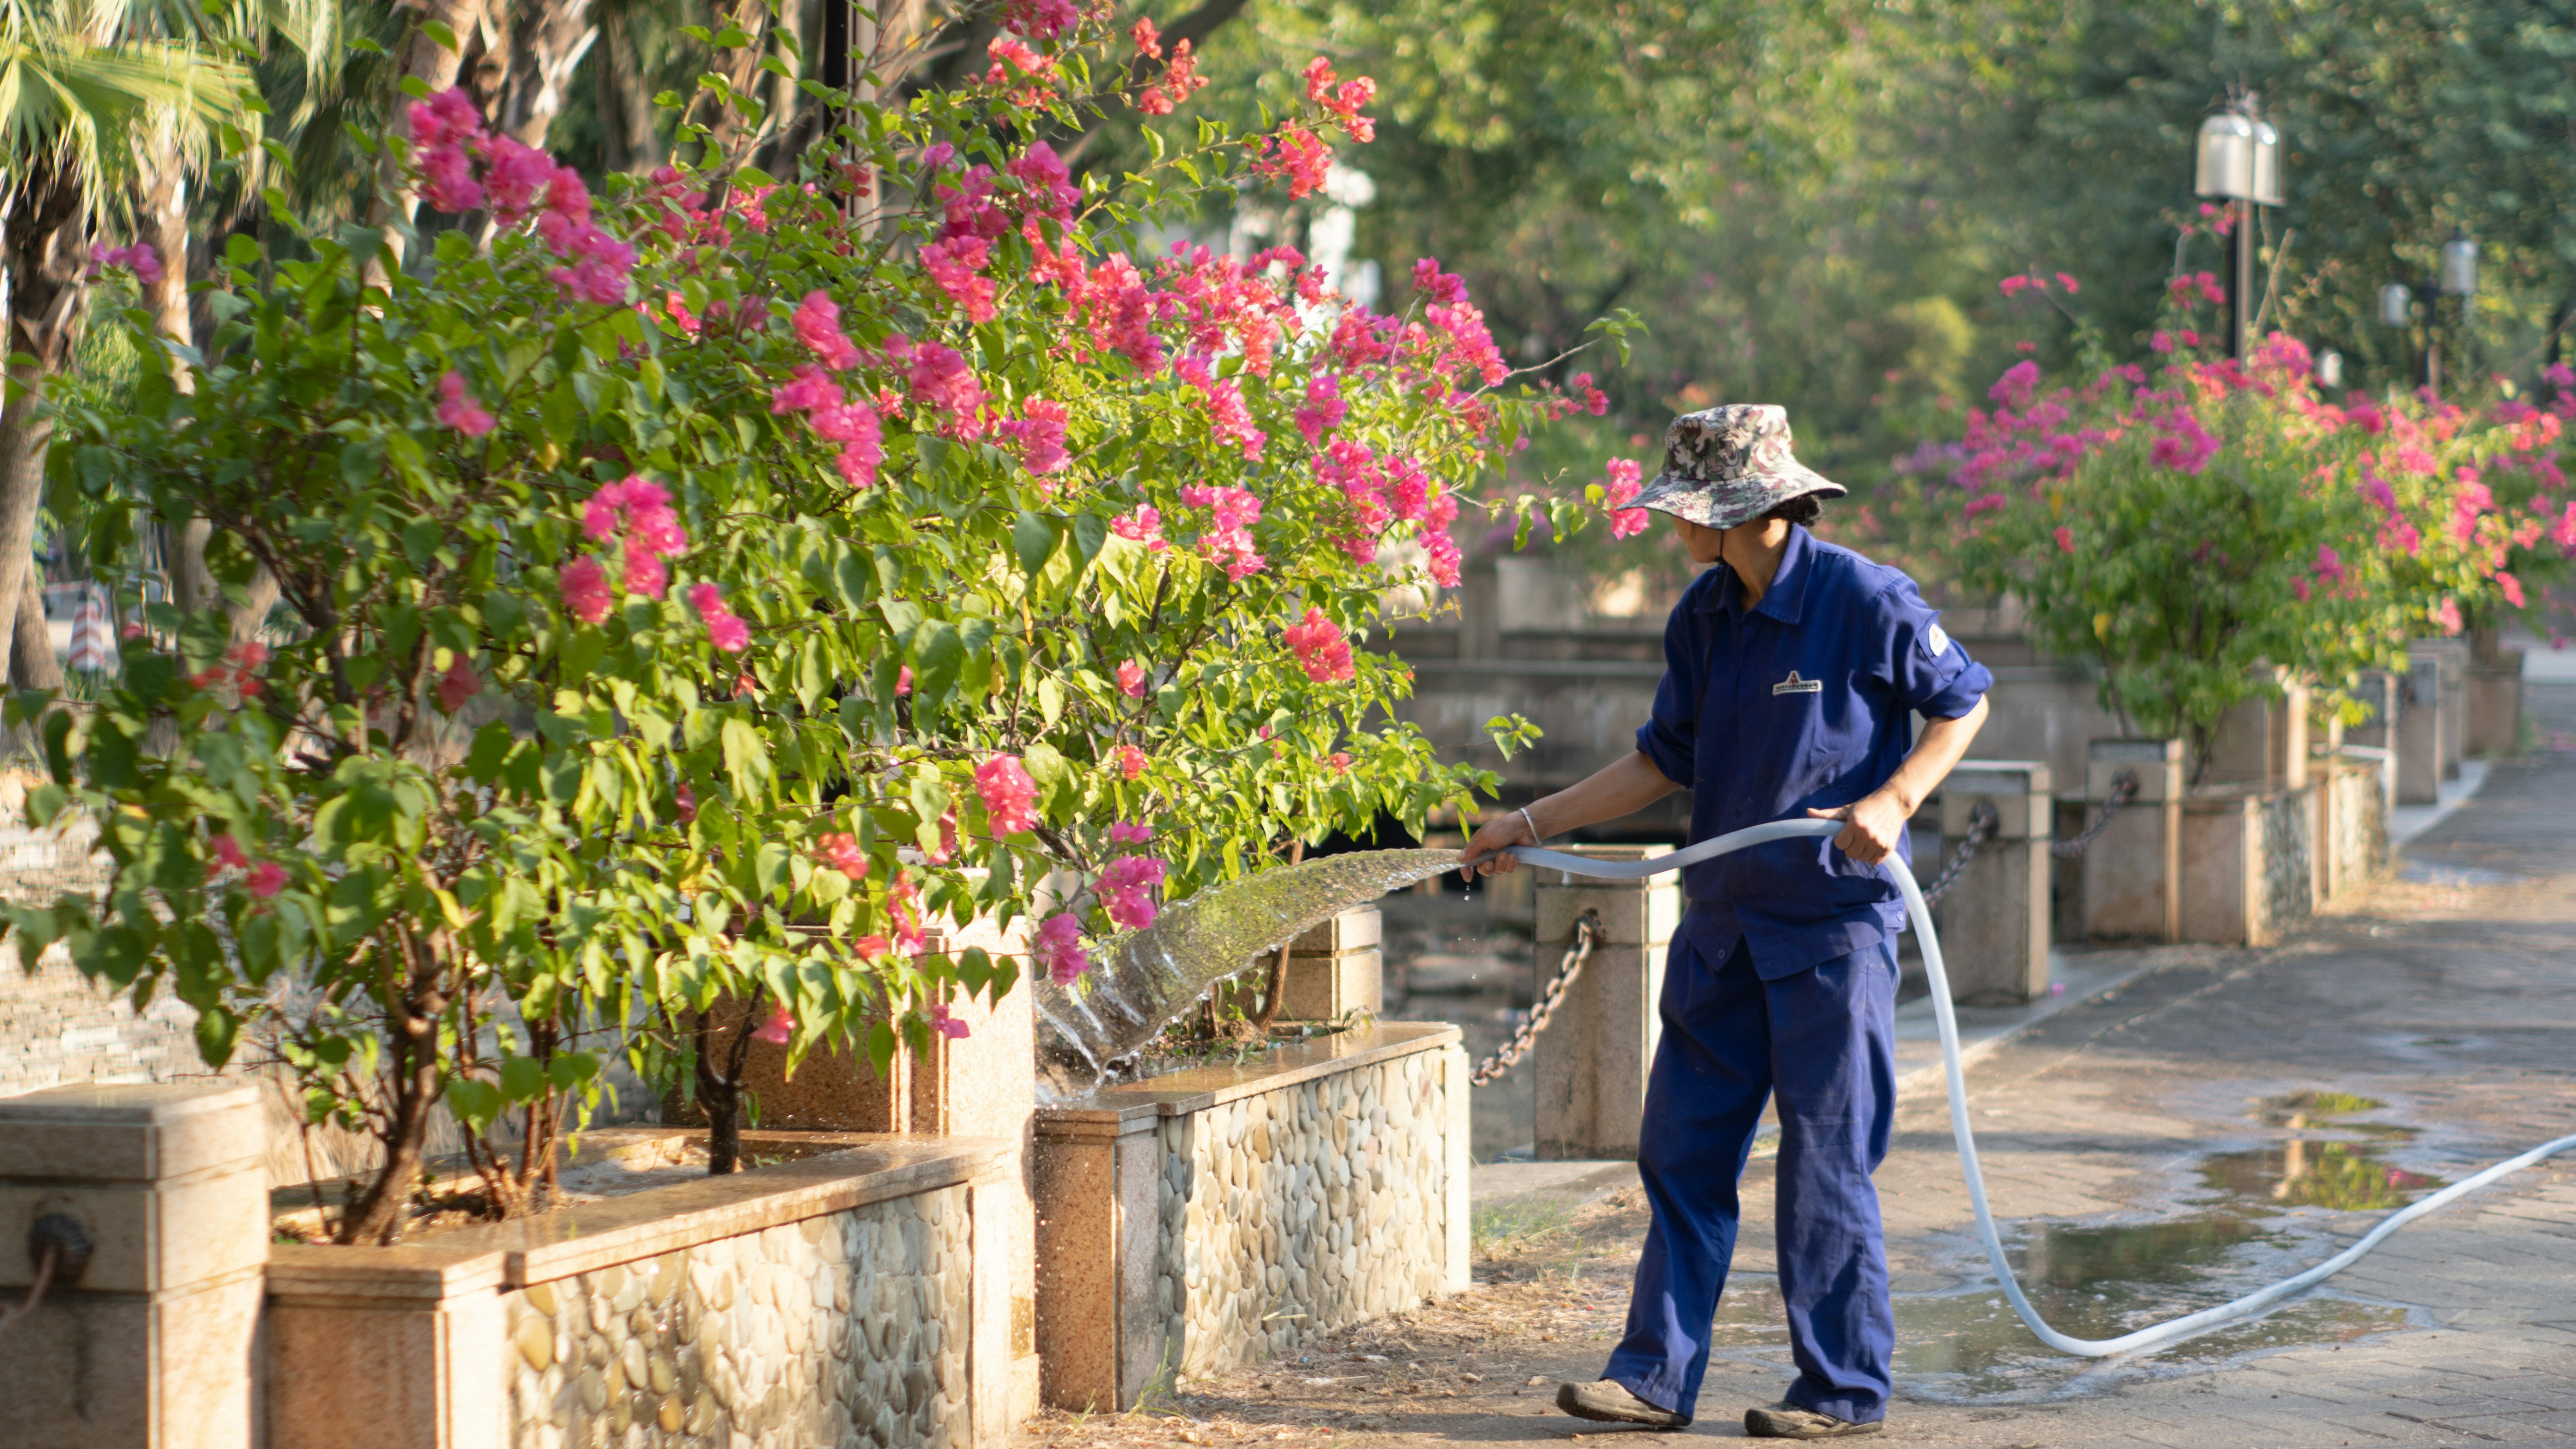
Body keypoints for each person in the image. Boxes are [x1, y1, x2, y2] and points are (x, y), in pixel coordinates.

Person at [1460, 405, 1991, 1440]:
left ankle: (1839, 1391)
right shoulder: (1704, 615)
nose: (1675, 528)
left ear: (1741, 511)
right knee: (1682, 1153)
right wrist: (1525, 824)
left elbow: (1963, 703)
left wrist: (1897, 799)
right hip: (1724, 932)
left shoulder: (1865, 600)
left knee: (1826, 1159)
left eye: (1685, 511)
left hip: (1833, 934)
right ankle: (1654, 1377)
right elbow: (1666, 761)